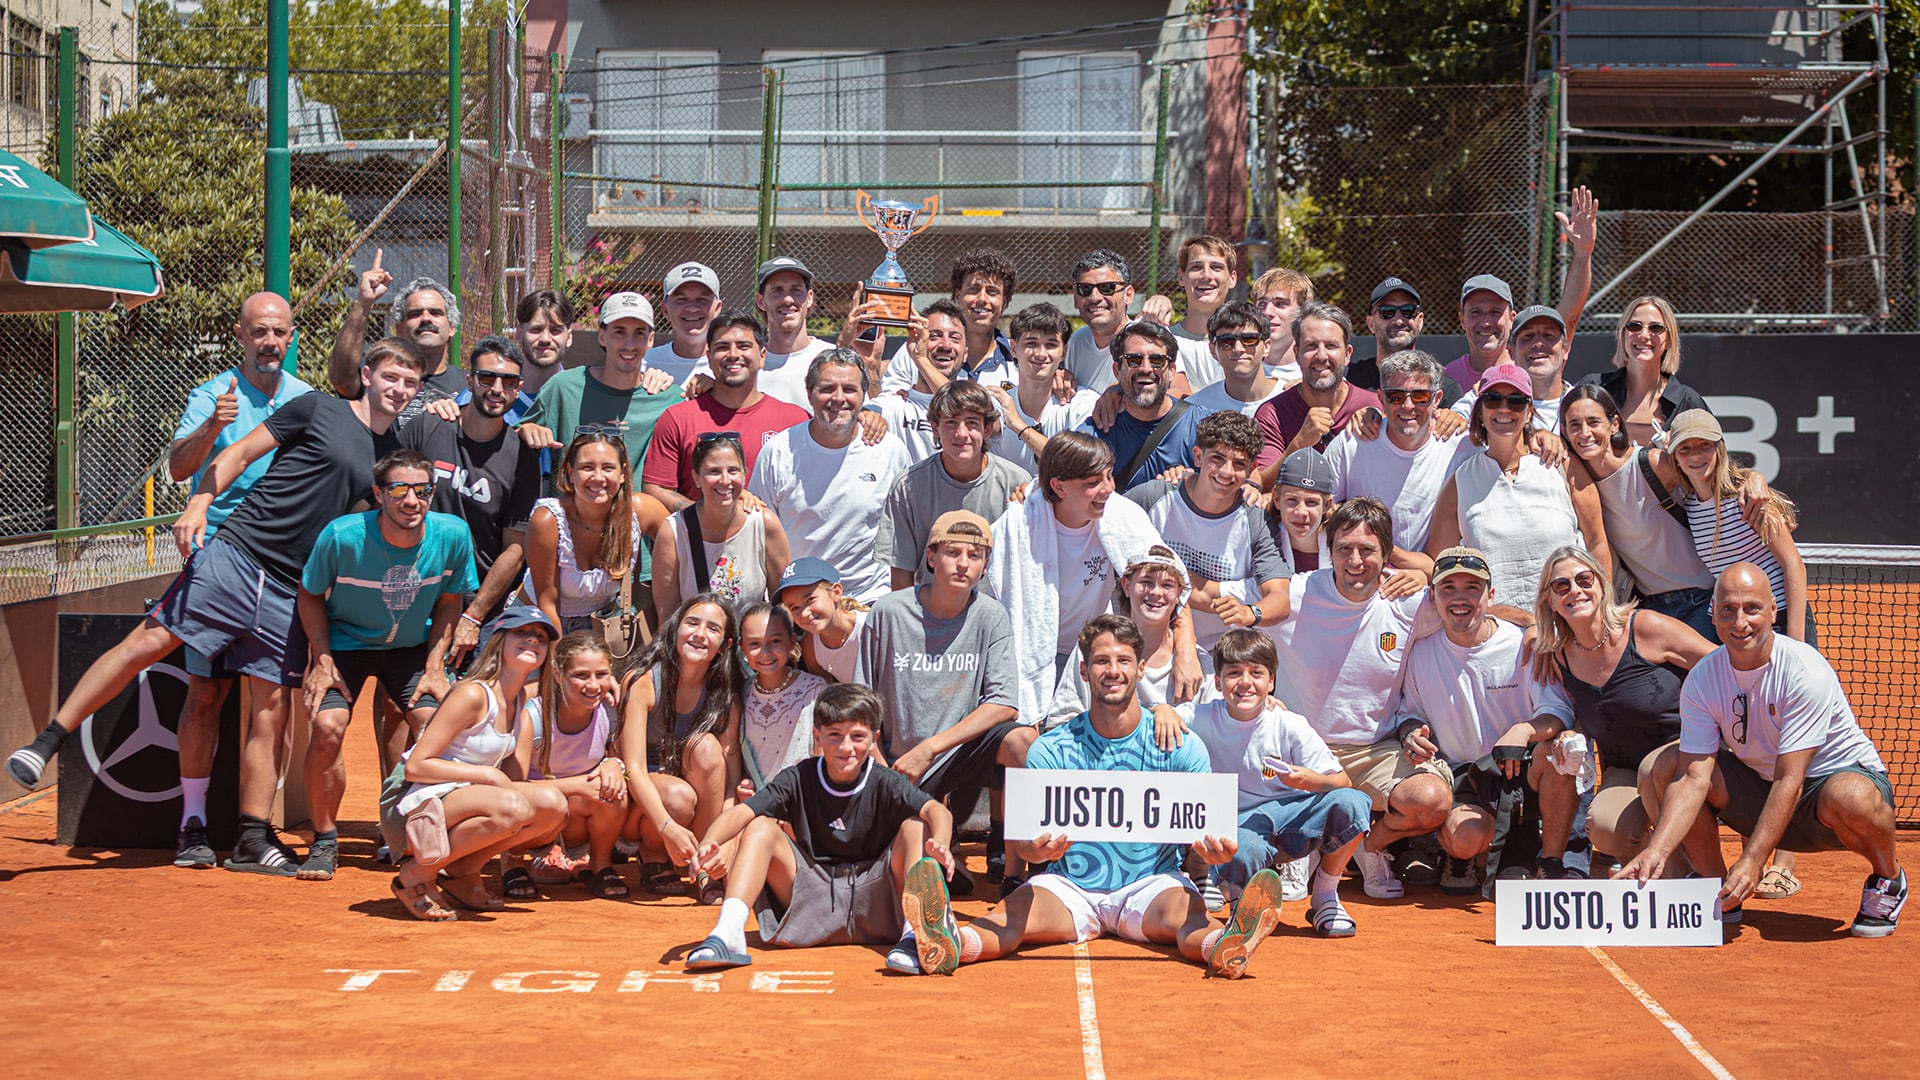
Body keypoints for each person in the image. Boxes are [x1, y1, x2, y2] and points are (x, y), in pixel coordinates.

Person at [9, 338, 423, 880]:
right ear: (366, 375)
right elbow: (239, 454)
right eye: (391, 377)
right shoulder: (317, 407)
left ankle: (252, 838)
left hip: (292, 588)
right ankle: (47, 742)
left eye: (410, 383)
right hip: (238, 552)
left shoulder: (390, 457)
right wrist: (200, 503)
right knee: (149, 643)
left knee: (270, 709)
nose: (399, 389)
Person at [899, 614, 1287, 979]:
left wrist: (1213, 854)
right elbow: (1026, 846)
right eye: (1101, 661)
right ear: (1084, 670)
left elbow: (1198, 838)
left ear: (1139, 669)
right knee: (1012, 915)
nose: (1113, 670)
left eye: (1123, 660)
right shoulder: (1050, 749)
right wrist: (1038, 853)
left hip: (1150, 885)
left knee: (1190, 915)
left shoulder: (1180, 745)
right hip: (1070, 888)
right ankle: (949, 941)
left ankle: (1225, 945)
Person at [1619, 564, 1906, 937]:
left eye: (1751, 608)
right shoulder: (1704, 677)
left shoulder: (1803, 670)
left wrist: (1754, 860)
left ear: (1773, 611)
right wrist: (1657, 850)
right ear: (1714, 614)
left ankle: (1888, 878)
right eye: (1728, 610)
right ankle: (1719, 894)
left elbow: (1792, 778)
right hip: (1763, 790)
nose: (1740, 622)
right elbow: (1694, 776)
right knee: (1669, 764)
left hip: (1827, 793)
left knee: (1849, 796)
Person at [159, 292, 313, 868]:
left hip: (284, 567)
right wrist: (209, 427)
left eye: (279, 332)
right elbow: (179, 469)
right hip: (219, 555)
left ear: (291, 336)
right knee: (206, 693)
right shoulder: (213, 394)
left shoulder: (306, 401)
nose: (270, 341)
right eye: (259, 332)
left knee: (273, 702)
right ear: (241, 335)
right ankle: (192, 824)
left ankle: (259, 829)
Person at [294, 448, 476, 879]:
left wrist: (435, 665)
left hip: (411, 648)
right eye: (398, 489)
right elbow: (309, 595)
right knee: (327, 730)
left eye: (422, 490)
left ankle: (404, 831)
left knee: (434, 731)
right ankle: (324, 840)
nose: (411, 500)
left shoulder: (452, 535)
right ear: (379, 494)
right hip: (344, 645)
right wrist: (321, 659)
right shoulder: (341, 537)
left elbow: (451, 600)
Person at [684, 683, 956, 971]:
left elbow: (937, 810)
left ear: (874, 738)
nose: (846, 747)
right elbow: (742, 813)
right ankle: (728, 933)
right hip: (811, 900)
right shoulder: (798, 777)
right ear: (817, 737)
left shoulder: (885, 781)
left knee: (916, 826)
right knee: (760, 827)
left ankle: (915, 935)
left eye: (858, 737)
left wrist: (940, 843)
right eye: (835, 736)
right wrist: (708, 842)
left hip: (878, 900)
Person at [1267, 497, 1461, 899]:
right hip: (1303, 751)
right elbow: (1223, 607)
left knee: (1432, 800)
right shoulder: (1292, 594)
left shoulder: (1408, 601)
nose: (1355, 560)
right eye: (1344, 549)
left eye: (1367, 550)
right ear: (1329, 550)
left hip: (1375, 751)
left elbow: (1469, 607)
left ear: (1387, 554)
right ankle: (1300, 850)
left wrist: (1426, 575)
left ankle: (1367, 847)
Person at [1392, 547, 1579, 892]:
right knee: (1465, 838)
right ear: (1433, 597)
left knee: (1560, 750)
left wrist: (1523, 730)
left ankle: (1547, 861)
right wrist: (1411, 734)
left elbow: (1558, 712)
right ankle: (1464, 852)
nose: (1460, 599)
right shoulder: (1421, 651)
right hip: (1468, 779)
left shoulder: (1523, 645)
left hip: (1523, 773)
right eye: (1448, 588)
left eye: (1472, 588)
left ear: (1491, 596)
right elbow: (1410, 712)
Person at [858, 511, 1029, 887]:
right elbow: (861, 707)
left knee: (1023, 743)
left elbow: (1004, 702)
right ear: (932, 557)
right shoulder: (888, 612)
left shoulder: (990, 615)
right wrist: (882, 771)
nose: (963, 564)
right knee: (910, 873)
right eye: (953, 552)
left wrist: (932, 748)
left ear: (985, 564)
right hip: (898, 761)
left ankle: (1013, 871)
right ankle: (943, 867)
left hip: (955, 751)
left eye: (975, 555)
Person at [986, 432, 1202, 725]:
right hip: (1030, 655)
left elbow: (1169, 579)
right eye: (1093, 483)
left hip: (1092, 654)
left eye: (1110, 477)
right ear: (1058, 486)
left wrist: (1187, 647)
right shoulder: (1020, 524)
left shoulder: (1121, 517)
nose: (1107, 490)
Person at [1171, 628, 1374, 936]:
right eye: (1234, 673)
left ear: (1272, 682)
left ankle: (1325, 895)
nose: (1245, 683)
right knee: (1244, 847)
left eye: (1257, 673)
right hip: (1238, 825)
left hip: (1290, 816)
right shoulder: (1199, 716)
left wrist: (1309, 780)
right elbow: (1155, 719)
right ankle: (1243, 905)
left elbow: (1341, 781)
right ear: (1217, 681)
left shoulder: (1289, 723)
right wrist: (1161, 709)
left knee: (1354, 803)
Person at [1531, 546, 1720, 876]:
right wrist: (1572, 734)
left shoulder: (1645, 628)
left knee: (1655, 771)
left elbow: (1721, 668)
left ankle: (1703, 879)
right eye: (1561, 586)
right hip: (1627, 768)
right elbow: (1591, 710)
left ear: (1601, 585)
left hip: (1688, 759)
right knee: (1605, 828)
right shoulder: (1561, 658)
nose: (1575, 590)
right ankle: (1663, 859)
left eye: (1583, 579)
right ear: (1551, 601)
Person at [379, 606, 568, 919]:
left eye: (541, 638)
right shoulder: (473, 694)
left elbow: (515, 781)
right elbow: (417, 766)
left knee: (552, 807)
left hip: (455, 804)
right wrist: (486, 776)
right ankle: (414, 875)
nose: (532, 641)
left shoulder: (519, 702)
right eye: (522, 632)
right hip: (409, 810)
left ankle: (464, 872)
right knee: (512, 807)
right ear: (499, 641)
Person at [400, 335, 544, 658]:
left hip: (476, 604)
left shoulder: (522, 457)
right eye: (486, 377)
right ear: (469, 380)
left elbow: (515, 549)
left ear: (518, 388)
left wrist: (473, 615)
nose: (496, 388)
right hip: (412, 592)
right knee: (398, 703)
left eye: (508, 381)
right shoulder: (429, 426)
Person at [1429, 363, 1608, 608]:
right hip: (1495, 635)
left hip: (1567, 627)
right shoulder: (1460, 481)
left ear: (1529, 412)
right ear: (1480, 410)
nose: (1504, 408)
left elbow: (1597, 541)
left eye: (1516, 401)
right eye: (1493, 399)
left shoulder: (1561, 464)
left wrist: (1604, 608)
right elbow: (1440, 563)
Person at [748, 349, 913, 604]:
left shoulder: (890, 451)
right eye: (827, 389)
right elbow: (759, 534)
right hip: (800, 603)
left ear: (864, 396)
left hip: (869, 601)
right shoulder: (778, 452)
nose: (838, 398)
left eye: (849, 389)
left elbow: (905, 536)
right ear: (809, 394)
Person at [1125, 411, 1291, 651]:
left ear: (1252, 468)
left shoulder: (1256, 519)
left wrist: (1249, 613)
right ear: (1198, 456)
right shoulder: (1154, 497)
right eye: (1218, 458)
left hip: (1219, 657)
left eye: (1239, 464)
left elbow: (1281, 599)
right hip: (1148, 646)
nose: (1226, 472)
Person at [618, 593, 745, 900]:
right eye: (692, 623)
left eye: (713, 628)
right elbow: (631, 768)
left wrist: (719, 844)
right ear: (676, 629)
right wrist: (667, 828)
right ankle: (651, 853)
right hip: (632, 790)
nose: (700, 634)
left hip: (685, 790)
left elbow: (729, 785)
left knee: (707, 748)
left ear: (726, 645)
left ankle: (701, 863)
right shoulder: (643, 681)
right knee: (678, 797)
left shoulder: (725, 694)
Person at [641, 311, 812, 509]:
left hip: (774, 537)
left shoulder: (795, 420)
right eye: (722, 347)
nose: (733, 354)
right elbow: (655, 488)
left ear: (762, 356)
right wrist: (707, 517)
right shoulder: (678, 417)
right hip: (700, 538)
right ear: (709, 357)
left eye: (744, 346)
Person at [1668, 409, 1811, 645]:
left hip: (1780, 617)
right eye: (1685, 448)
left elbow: (1793, 564)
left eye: (1704, 445)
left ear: (1718, 449)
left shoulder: (1748, 499)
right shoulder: (1689, 505)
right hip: (1737, 623)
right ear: (1675, 457)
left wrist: (1796, 643)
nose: (1695, 455)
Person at [518, 290, 680, 489]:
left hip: (641, 518)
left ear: (651, 339)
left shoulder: (671, 400)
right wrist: (524, 431)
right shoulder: (562, 388)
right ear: (602, 336)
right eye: (619, 332)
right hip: (571, 518)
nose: (629, 344)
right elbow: (509, 445)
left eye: (639, 333)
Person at [1441, 187, 1596, 390]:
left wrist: (1583, 252)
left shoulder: (1534, 364)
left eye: (1495, 312)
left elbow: (1570, 316)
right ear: (1462, 319)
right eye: (1476, 312)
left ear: (1512, 318)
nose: (1486, 322)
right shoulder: (1446, 380)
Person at [518, 430, 670, 636]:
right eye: (587, 468)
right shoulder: (549, 519)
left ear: (623, 473)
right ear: (570, 473)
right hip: (537, 625)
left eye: (608, 468)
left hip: (604, 626)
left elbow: (684, 551)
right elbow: (547, 604)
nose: (598, 478)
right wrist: (555, 666)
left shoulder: (643, 510)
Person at [878, 381, 1026, 592]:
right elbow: (902, 569)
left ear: (987, 429)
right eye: (951, 422)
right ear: (935, 428)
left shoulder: (1016, 482)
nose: (961, 433)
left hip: (997, 611)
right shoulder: (908, 486)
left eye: (972, 423)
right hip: (931, 611)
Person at [1324, 349, 1475, 553]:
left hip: (1432, 577)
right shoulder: (1351, 443)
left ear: (1437, 398)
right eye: (1395, 396)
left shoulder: (1461, 447)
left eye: (1420, 396)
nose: (1408, 405)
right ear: (1381, 398)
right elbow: (1320, 508)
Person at [516, 630, 629, 898]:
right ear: (557, 673)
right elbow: (511, 787)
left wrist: (614, 764)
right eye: (581, 675)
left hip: (575, 818)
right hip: (533, 818)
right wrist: (575, 786)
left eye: (601, 675)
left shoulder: (609, 711)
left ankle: (599, 864)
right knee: (540, 804)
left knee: (615, 792)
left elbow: (622, 760)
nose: (593, 685)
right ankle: (513, 864)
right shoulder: (533, 716)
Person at [651, 432, 791, 617]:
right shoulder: (673, 532)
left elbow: (784, 606)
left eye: (733, 471)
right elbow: (667, 616)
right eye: (714, 472)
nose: (725, 480)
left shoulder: (765, 524)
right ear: (696, 478)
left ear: (745, 474)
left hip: (751, 643)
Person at [329, 255, 465, 428]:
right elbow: (342, 379)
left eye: (435, 313)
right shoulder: (379, 380)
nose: (425, 319)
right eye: (415, 314)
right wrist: (364, 302)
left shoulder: (470, 387)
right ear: (399, 328)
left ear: (452, 327)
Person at [1077, 319, 1212, 492]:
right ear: (1117, 371)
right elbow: (1062, 468)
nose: (1146, 368)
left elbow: (1246, 472)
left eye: (1157, 360)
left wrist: (1194, 481)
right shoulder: (1098, 431)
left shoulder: (1202, 426)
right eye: (1134, 360)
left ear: (1171, 371)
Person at [1254, 302, 1381, 482]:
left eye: (1331, 346)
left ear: (1347, 354)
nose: (1321, 356)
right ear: (1296, 354)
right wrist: (1299, 443)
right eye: (1311, 346)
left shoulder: (1374, 407)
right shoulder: (1272, 414)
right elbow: (1261, 486)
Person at [881, 248, 1018, 392]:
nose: (982, 299)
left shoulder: (1021, 357)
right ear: (957, 296)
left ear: (1005, 302)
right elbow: (888, 403)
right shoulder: (916, 350)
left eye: (992, 292)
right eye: (973, 289)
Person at [1578, 296, 1709, 447]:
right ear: (1622, 335)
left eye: (1656, 328)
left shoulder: (1687, 402)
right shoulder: (1593, 387)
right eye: (1634, 326)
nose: (1643, 335)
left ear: (1669, 340)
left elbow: (1714, 458)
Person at [986, 302, 1100, 472]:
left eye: (1051, 344)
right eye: (1031, 343)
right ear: (1014, 348)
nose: (1041, 354)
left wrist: (1019, 426)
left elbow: (1080, 466)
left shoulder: (1083, 403)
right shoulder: (997, 405)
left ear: (1064, 352)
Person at [867, 298, 971, 461]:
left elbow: (961, 406)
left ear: (965, 354)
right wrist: (846, 344)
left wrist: (921, 359)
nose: (945, 344)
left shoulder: (982, 402)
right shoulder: (894, 405)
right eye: (934, 336)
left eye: (955, 338)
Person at [737, 602, 828, 784]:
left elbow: (824, 755)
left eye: (775, 641)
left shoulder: (814, 690)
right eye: (754, 643)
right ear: (742, 647)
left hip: (803, 799)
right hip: (759, 802)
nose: (765, 652)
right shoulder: (740, 694)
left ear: (792, 641)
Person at [752, 256, 835, 409]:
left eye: (796, 290)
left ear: (809, 298)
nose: (788, 299)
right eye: (777, 290)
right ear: (761, 301)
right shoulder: (748, 363)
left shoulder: (832, 356)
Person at [776, 558, 869, 684]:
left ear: (836, 592)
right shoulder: (810, 645)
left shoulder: (870, 627)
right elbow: (832, 692)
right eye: (794, 608)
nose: (804, 613)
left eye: (810, 600)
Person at [1185, 302, 1285, 417]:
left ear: (1267, 346)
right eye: (1226, 342)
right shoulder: (1195, 409)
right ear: (1213, 350)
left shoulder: (1293, 398)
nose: (1238, 349)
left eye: (1249, 339)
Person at [1166, 235, 1238, 391]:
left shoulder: (1247, 343)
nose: (1206, 275)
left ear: (1232, 278)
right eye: (1196, 267)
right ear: (1181, 277)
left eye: (1216, 267)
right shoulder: (1165, 342)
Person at [1062, 249, 1138, 395]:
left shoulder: (1147, 339)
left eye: (1106, 288)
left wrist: (1118, 393)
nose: (1095, 297)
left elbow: (1179, 392)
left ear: (1128, 294)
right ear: (1075, 300)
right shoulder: (1077, 341)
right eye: (1085, 289)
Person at [646, 261, 723, 387]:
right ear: (665, 310)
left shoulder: (731, 365)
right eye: (681, 300)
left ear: (717, 308)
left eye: (702, 299)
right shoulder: (645, 364)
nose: (692, 308)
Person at [510, 289, 575, 422]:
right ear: (520, 334)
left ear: (569, 338)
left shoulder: (579, 395)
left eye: (555, 330)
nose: (545, 338)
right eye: (536, 330)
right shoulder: (495, 393)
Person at [1268, 449, 1334, 574]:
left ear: (1327, 505)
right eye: (1292, 500)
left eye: (1311, 502)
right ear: (1276, 499)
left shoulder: (1344, 543)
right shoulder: (1261, 539)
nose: (1301, 512)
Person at [1248, 265, 1313, 384]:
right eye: (1262, 304)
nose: (1267, 312)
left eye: (1280, 304)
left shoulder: (1317, 373)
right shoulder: (1239, 368)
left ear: (1302, 312)